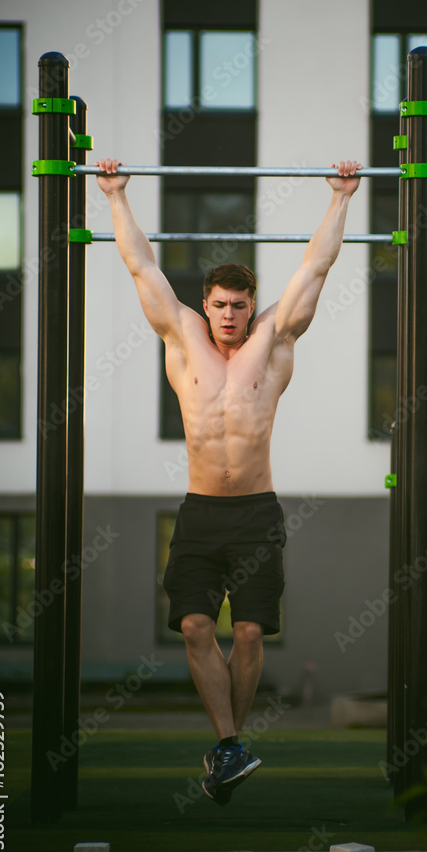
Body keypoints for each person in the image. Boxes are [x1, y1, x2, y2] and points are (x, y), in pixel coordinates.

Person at [96, 157, 362, 804]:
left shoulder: (271, 342)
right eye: (219, 304)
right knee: (193, 626)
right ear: (206, 303)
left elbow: (315, 269)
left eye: (238, 306)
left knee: (246, 632)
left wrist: (340, 197)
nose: (228, 315)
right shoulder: (182, 338)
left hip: (256, 513)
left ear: (250, 308)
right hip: (200, 512)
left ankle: (226, 744)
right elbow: (140, 267)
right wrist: (114, 194)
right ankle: (230, 746)